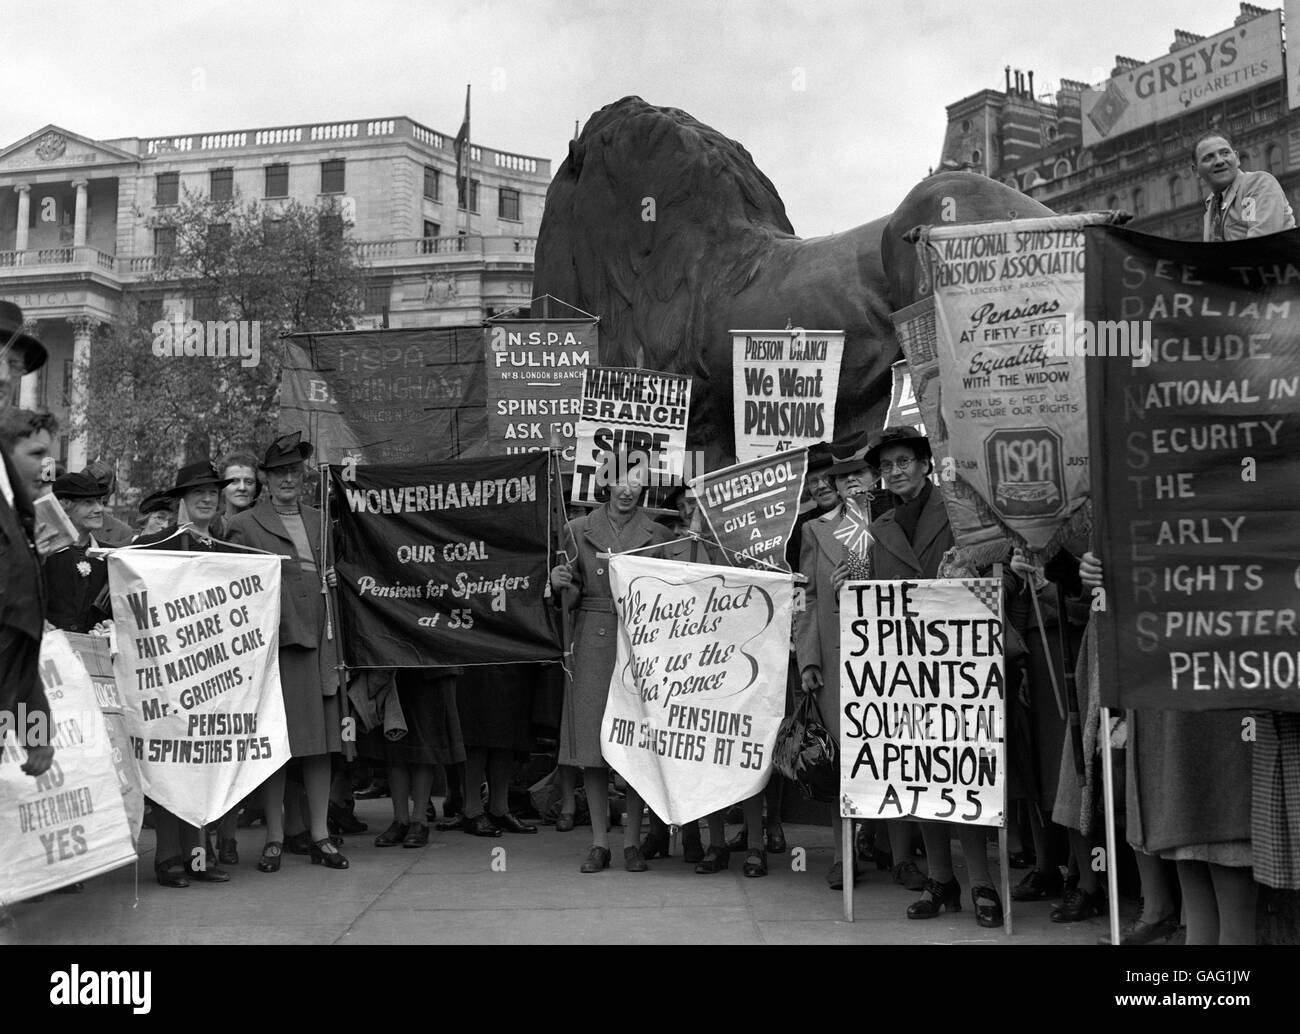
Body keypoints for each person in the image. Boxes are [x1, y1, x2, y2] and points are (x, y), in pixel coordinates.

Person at [1195, 133, 1300, 916]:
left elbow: (1253, 261)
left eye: (1224, 152)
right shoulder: (1207, 211)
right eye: (1206, 157)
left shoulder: (1258, 190)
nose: (1219, 163)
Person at [862, 426, 1002, 927]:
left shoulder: (962, 510)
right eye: (887, 466)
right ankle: (940, 880)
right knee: (921, 772)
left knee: (967, 774)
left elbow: (995, 572)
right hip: (905, 669)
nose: (895, 471)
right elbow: (877, 597)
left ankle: (983, 882)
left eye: (903, 461)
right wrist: (849, 590)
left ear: (925, 463)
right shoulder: (879, 528)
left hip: (964, 666)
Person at [1078, 552, 1255, 944]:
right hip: (1163, 684)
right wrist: (1101, 571)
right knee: (1184, 842)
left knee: (1226, 843)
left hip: (1228, 684)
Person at [797, 431, 922, 892]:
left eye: (858, 474)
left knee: (896, 754)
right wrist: (808, 658)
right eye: (841, 476)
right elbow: (807, 599)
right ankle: (845, 851)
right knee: (844, 760)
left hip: (893, 658)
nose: (851, 482)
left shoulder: (895, 522)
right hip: (837, 661)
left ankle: (901, 854)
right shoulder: (816, 531)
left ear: (874, 477)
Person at [225, 433, 348, 873]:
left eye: (294, 472)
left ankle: (320, 835)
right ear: (265, 478)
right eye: (279, 473)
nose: (288, 480)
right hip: (276, 648)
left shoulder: (320, 519)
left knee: (320, 744)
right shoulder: (242, 526)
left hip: (323, 644)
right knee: (276, 744)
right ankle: (275, 837)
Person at [550, 454, 673, 873]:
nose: (627, 488)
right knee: (593, 744)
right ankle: (600, 842)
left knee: (637, 741)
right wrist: (558, 585)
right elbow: (566, 596)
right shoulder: (578, 530)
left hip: (642, 643)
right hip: (593, 640)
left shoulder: (659, 533)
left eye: (636, 481)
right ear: (605, 481)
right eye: (619, 479)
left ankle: (633, 842)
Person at [135, 460, 243, 888]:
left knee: (206, 763)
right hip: (167, 673)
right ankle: (168, 857)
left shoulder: (231, 552)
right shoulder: (155, 544)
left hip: (216, 675)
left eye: (213, 493)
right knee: (170, 763)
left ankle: (200, 854)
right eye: (197, 492)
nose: (206, 498)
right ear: (180, 499)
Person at [0, 305, 55, 780]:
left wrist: (34, 724)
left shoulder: (14, 494)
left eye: (14, 365)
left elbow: (17, 622)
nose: (5, 375)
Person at [41, 472, 112, 633]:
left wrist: (111, 628)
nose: (99, 509)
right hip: (48, 652)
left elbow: (117, 611)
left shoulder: (110, 556)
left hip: (95, 654)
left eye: (100, 501)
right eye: (89, 502)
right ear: (64, 505)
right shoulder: (42, 553)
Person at [1195, 133, 1295, 241]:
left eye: (1225, 153)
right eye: (1208, 158)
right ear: (1196, 170)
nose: (1219, 161)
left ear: (1237, 158)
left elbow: (1261, 245)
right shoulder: (1211, 205)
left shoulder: (1257, 184)